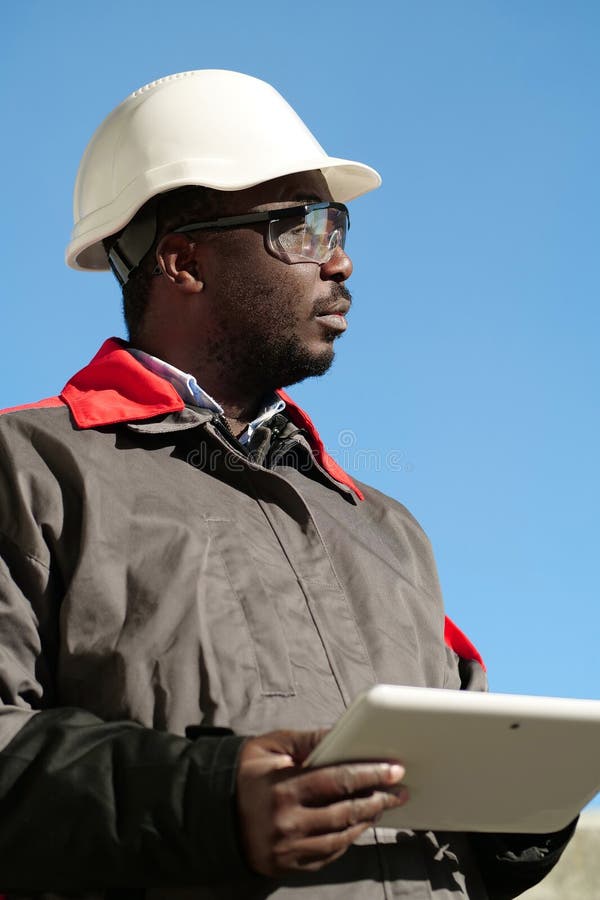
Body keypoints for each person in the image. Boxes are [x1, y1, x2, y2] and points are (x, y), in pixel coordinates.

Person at [0, 69, 574, 900]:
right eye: (300, 229)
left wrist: (528, 817)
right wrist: (205, 803)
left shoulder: (386, 528)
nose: (339, 261)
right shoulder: (30, 468)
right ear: (182, 259)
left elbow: (473, 812)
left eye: (336, 226)